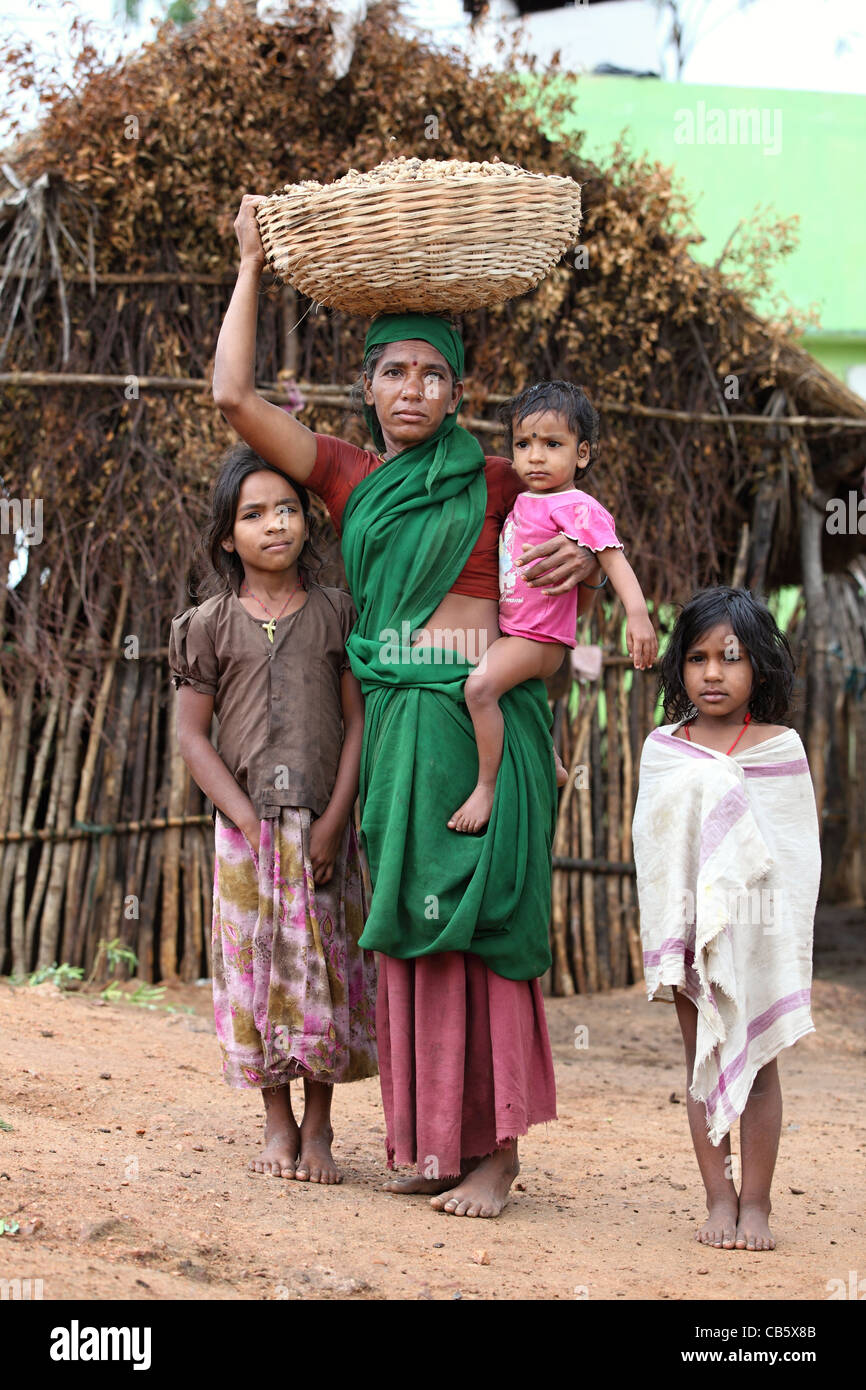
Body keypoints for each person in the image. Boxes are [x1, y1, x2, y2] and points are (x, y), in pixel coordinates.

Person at [211, 195, 603, 1218]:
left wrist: (586, 565)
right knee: (409, 929)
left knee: (483, 927)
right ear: (368, 384)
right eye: (394, 370)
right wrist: (252, 262)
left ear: (459, 390)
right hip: (393, 738)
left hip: (480, 730)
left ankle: (497, 1155)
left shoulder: (498, 477)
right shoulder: (345, 476)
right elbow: (232, 397)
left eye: (433, 373)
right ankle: (432, 1142)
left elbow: (582, 556)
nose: (413, 388)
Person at [168, 443, 377, 1185]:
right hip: (244, 832)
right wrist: (249, 826)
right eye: (253, 514)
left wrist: (332, 823)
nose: (274, 525)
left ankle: (320, 1128)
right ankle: (277, 1122)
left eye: (286, 509)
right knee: (255, 969)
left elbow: (357, 725)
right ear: (228, 536)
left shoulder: (336, 613)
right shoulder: (207, 624)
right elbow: (192, 737)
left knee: (324, 967)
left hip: (322, 826)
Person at [633, 587, 820, 1251]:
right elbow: (656, 851)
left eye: (731, 658)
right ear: (678, 667)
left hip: (757, 933)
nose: (712, 673)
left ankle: (758, 1205)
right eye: (697, 658)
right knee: (702, 1061)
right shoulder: (667, 749)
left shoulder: (779, 750)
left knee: (761, 1065)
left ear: (760, 666)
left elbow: (797, 856)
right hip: (695, 935)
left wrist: (769, 926)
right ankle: (719, 1198)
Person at [448, 379, 657, 833]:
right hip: (519, 632)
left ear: (582, 454)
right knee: (510, 695)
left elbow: (613, 560)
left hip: (539, 638)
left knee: (478, 690)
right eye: (523, 444)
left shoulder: (577, 506)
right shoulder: (525, 500)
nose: (535, 456)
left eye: (552, 443)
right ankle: (551, 759)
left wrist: (637, 618)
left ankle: (486, 787)